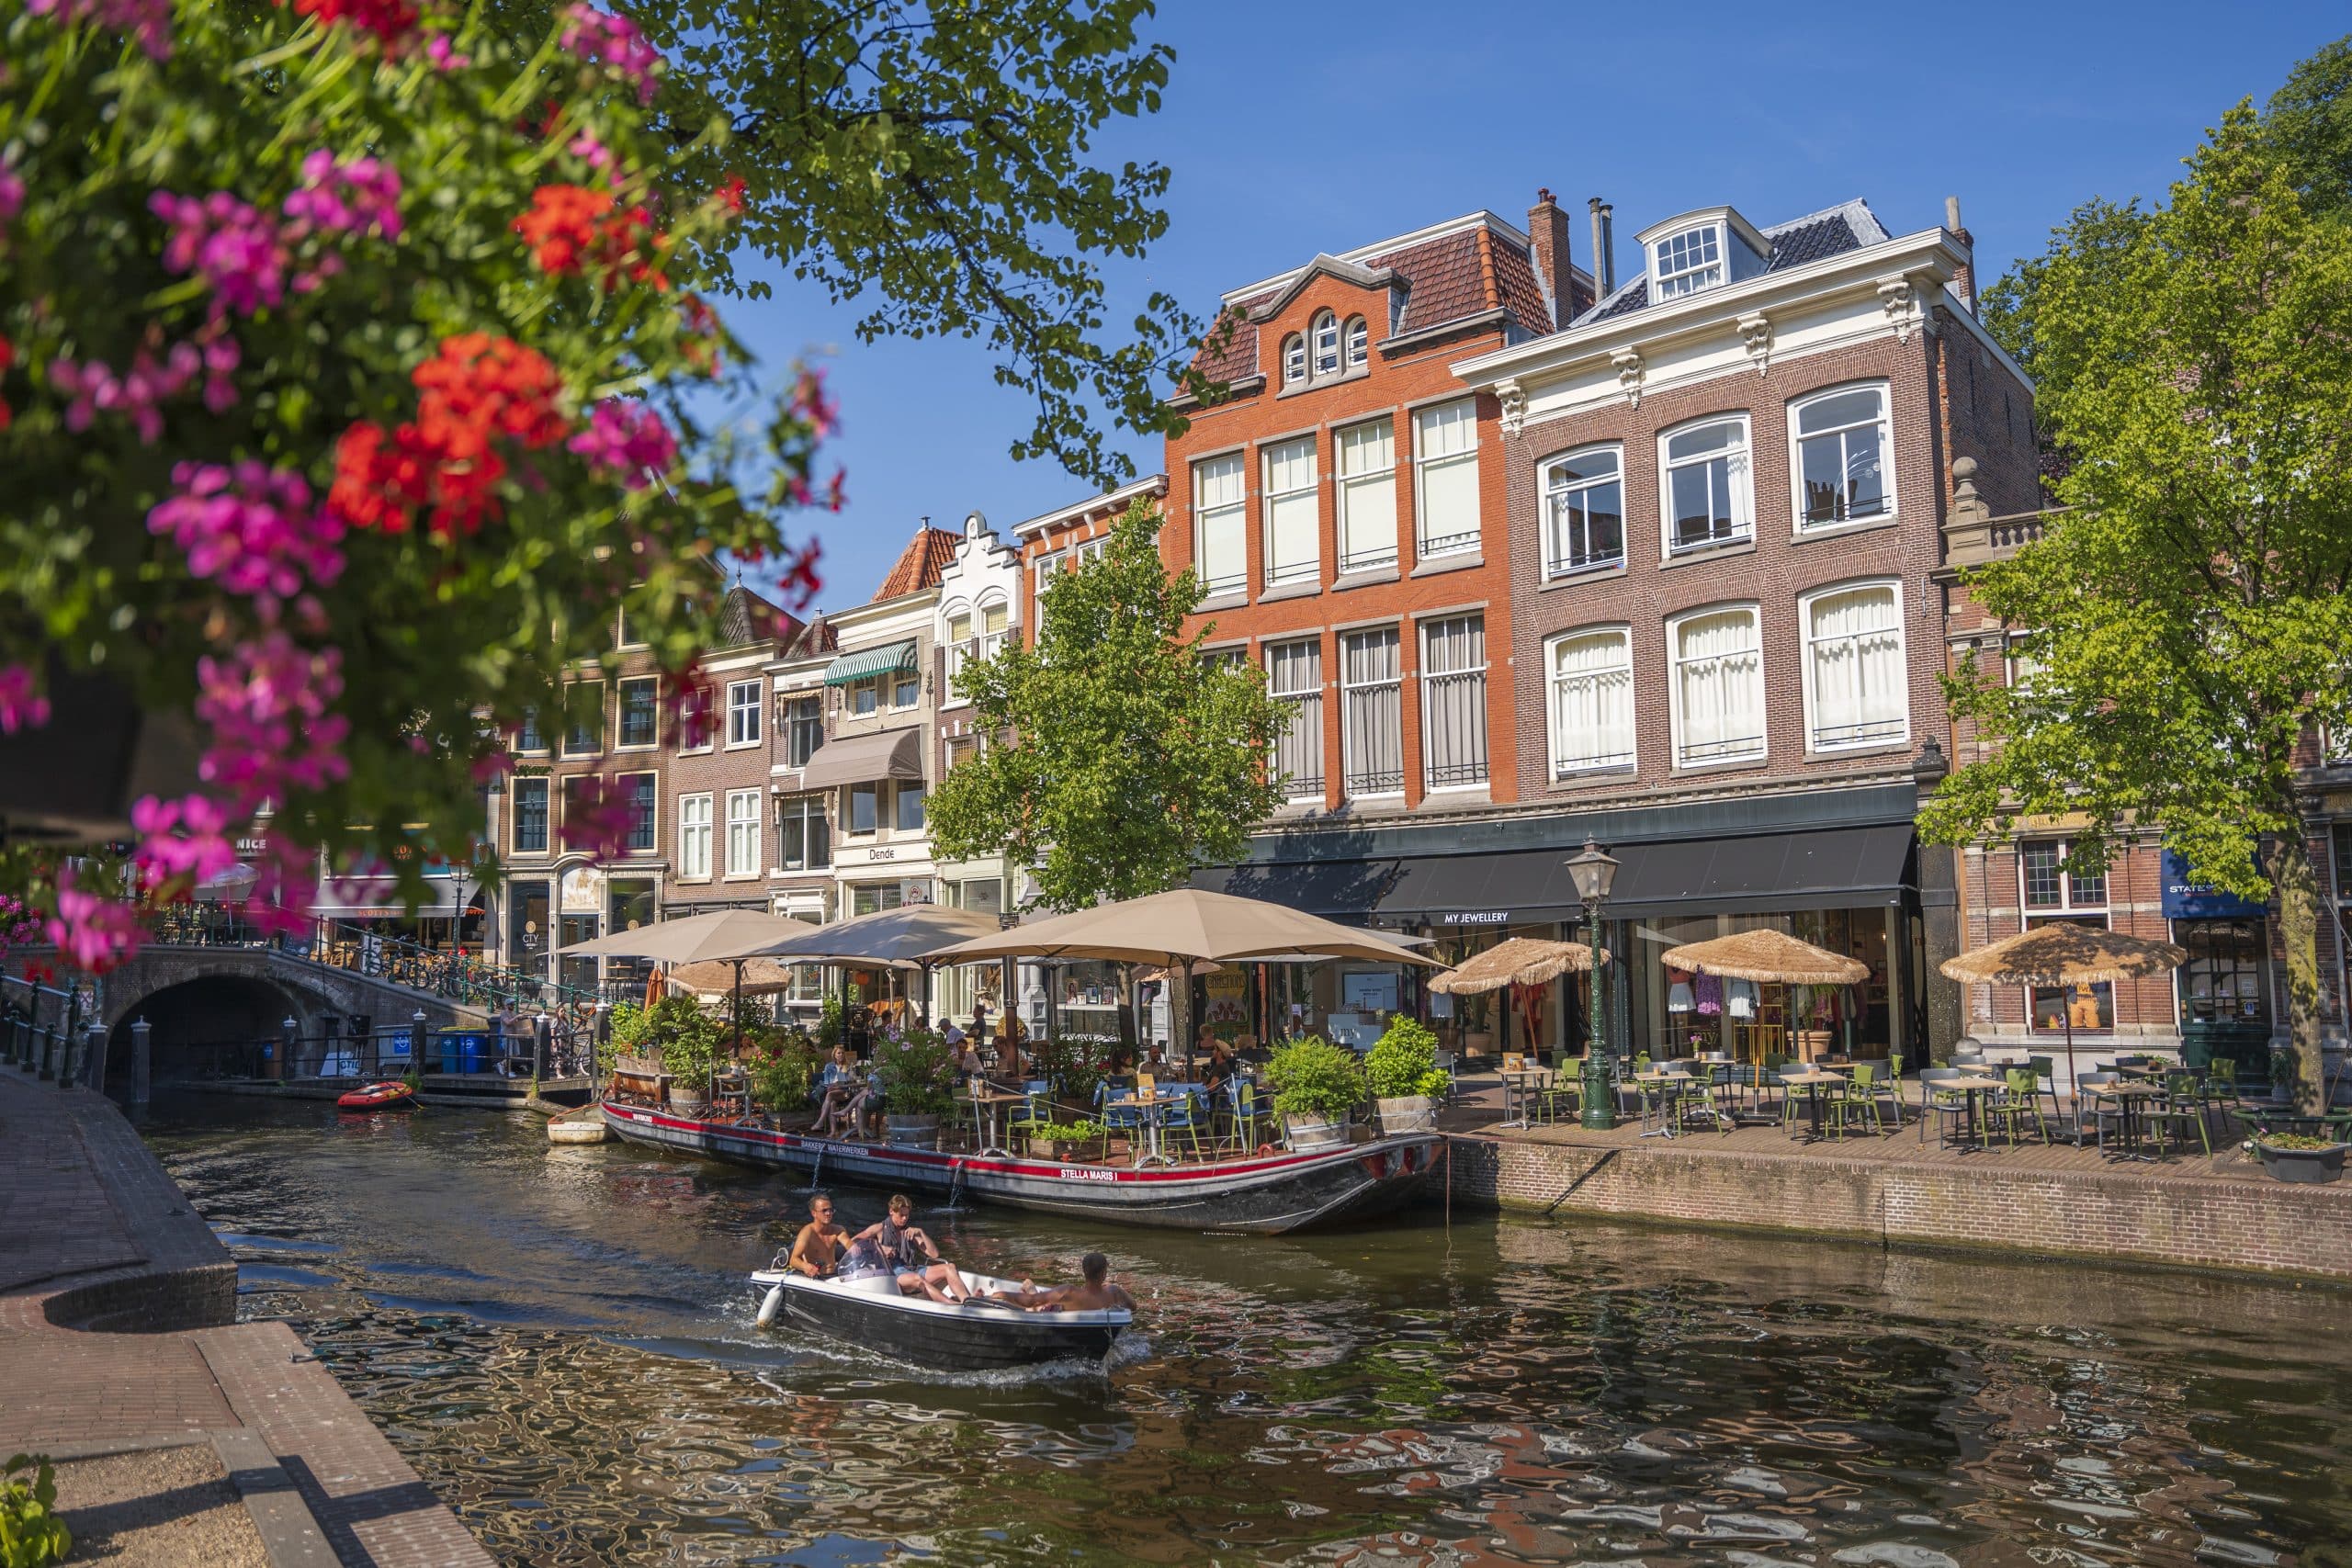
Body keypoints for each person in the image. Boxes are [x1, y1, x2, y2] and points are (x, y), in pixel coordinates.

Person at [850, 1195, 968, 1303]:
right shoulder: (879, 1228)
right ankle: (952, 1305)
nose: (905, 1218)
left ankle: (967, 1301)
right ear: (891, 1211)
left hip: (911, 1268)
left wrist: (921, 1233)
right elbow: (853, 1242)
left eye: (907, 1215)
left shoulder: (909, 1232)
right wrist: (879, 1248)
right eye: (901, 1215)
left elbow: (934, 1254)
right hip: (892, 1274)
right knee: (917, 1279)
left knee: (949, 1267)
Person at [998, 1252, 1133, 1314]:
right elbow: (1132, 1307)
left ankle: (1031, 1287)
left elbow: (1031, 1302)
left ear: (1084, 1272)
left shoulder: (1069, 1292)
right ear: (1104, 1273)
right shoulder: (1114, 1292)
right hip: (1058, 1309)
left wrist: (1003, 1294)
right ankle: (1031, 1288)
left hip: (1050, 1311)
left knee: (1030, 1290)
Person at [786, 1194, 848, 1279]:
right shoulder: (807, 1232)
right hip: (816, 1278)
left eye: (831, 1210)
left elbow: (850, 1246)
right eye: (824, 1210)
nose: (828, 1213)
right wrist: (805, 1266)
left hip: (834, 1277)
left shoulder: (838, 1230)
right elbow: (793, 1260)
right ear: (814, 1213)